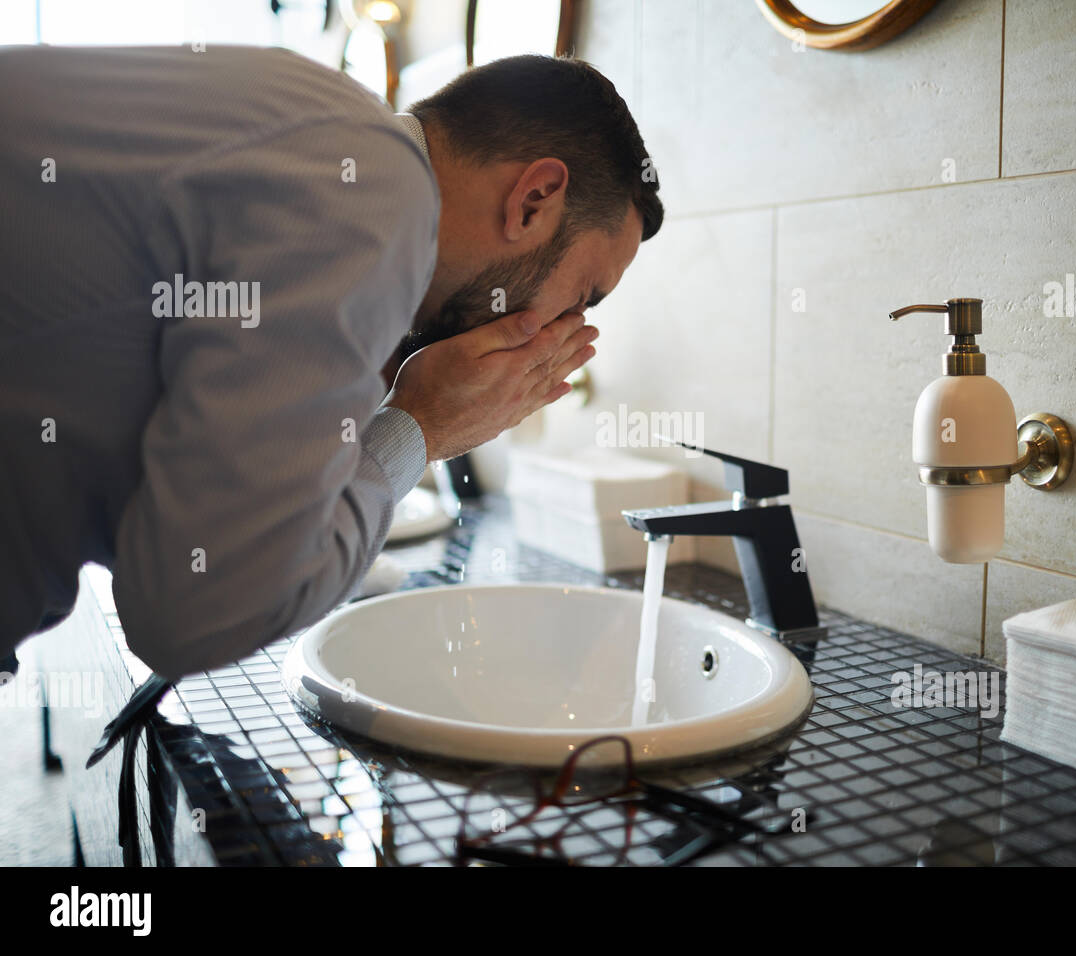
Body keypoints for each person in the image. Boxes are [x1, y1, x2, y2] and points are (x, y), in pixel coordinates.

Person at [0, 46, 663, 680]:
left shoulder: (331, 141)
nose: (566, 330)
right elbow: (192, 612)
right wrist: (419, 428)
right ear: (534, 199)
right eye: (581, 296)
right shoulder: (373, 194)